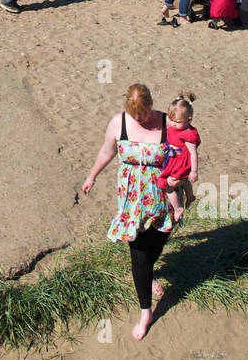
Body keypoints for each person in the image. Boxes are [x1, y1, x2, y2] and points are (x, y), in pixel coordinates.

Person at [82, 83, 176, 341]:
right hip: (132, 205)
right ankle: (146, 312)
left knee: (156, 246)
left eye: (144, 114)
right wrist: (92, 176)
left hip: (163, 201)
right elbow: (107, 151)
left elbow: (184, 155)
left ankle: (149, 272)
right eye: (135, 115)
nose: (140, 120)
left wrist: (185, 188)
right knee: (139, 256)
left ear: (151, 105)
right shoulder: (118, 123)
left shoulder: (168, 123)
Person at [155, 94, 200, 224]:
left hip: (180, 164)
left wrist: (194, 171)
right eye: (171, 120)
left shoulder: (188, 135)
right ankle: (190, 196)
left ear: (189, 119)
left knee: (168, 185)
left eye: (177, 122)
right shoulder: (173, 126)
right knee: (184, 182)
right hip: (172, 160)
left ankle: (178, 208)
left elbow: (193, 154)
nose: (173, 124)